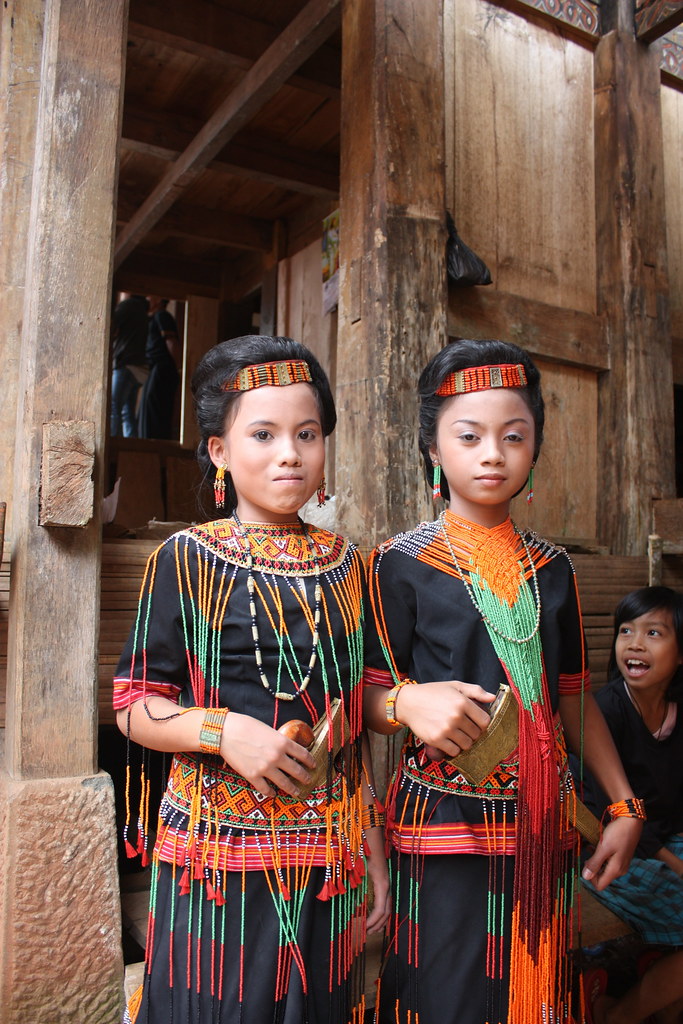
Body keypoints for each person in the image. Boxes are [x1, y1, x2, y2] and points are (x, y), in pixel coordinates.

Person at [362, 338, 644, 1024]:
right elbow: (364, 699)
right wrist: (405, 701)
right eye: (469, 435)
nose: (492, 452)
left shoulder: (552, 569)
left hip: (541, 824)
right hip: (441, 826)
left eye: (513, 436)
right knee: (444, 994)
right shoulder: (398, 564)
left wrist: (623, 805)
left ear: (534, 449)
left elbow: (571, 697)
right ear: (432, 446)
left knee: (536, 995)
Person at [114, 335, 390, 1024]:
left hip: (325, 857)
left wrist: (372, 854)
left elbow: (355, 724)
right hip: (214, 860)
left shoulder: (350, 565)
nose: (288, 453)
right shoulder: (185, 557)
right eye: (262, 434)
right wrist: (225, 731)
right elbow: (132, 706)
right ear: (218, 451)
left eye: (307, 433)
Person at [580, 586, 683, 1024]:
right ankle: (619, 1015)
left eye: (654, 632)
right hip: (611, 855)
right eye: (627, 631)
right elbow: (604, 813)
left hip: (667, 843)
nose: (635, 643)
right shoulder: (605, 713)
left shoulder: (677, 713)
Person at [138, 296, 180, 440]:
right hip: (156, 369)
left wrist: (178, 368)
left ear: (160, 300)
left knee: (156, 409)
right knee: (148, 409)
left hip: (163, 369)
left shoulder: (163, 315)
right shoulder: (155, 317)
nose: (148, 299)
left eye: (151, 296)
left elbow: (171, 342)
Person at [111, 293, 148, 437]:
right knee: (128, 412)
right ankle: (130, 444)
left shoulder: (128, 305)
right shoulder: (141, 309)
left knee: (114, 408)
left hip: (126, 364)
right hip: (138, 366)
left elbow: (110, 325)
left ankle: (112, 441)